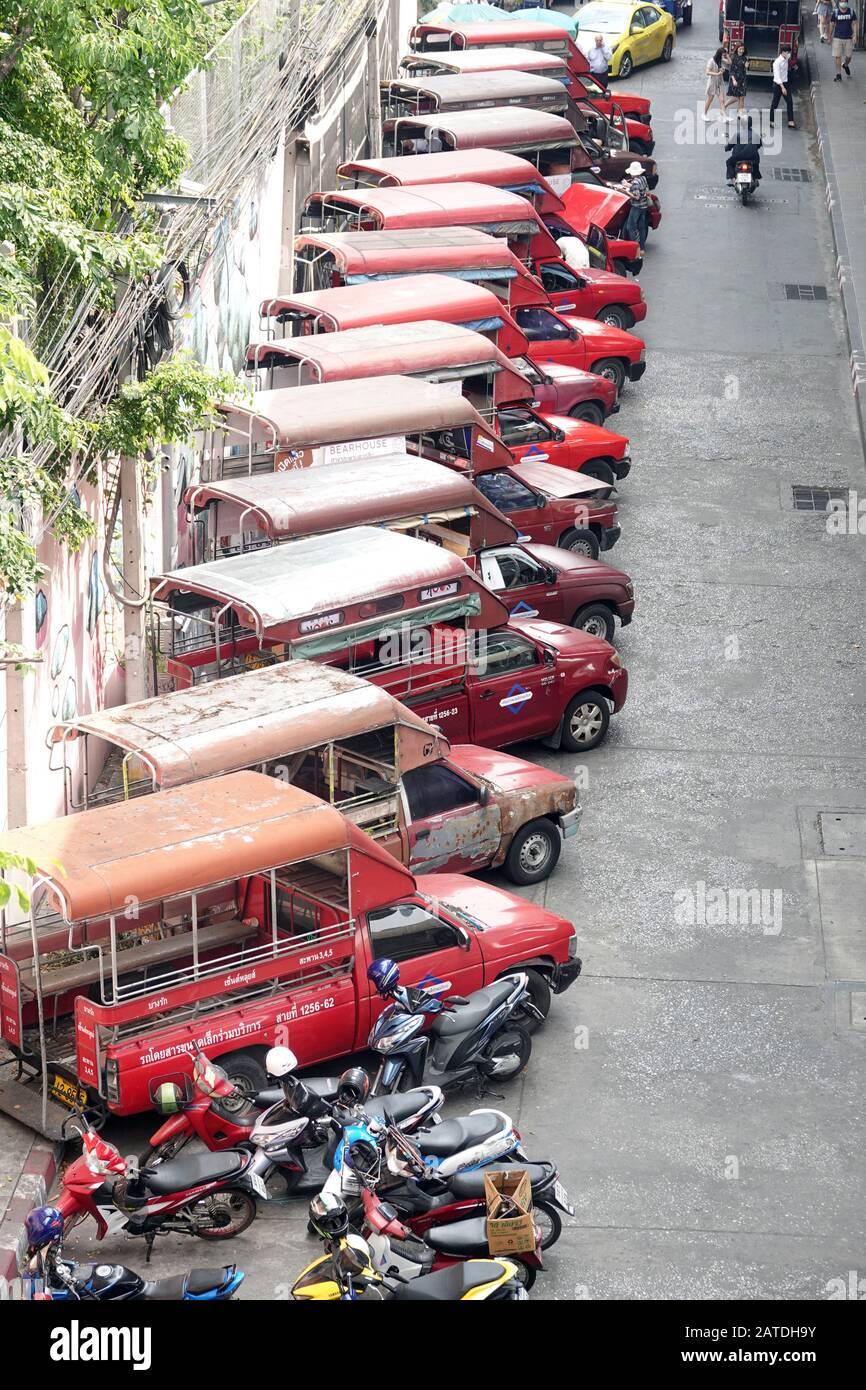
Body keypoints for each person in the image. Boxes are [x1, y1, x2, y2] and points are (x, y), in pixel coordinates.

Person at [621, 160, 651, 250]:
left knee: (630, 226)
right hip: (644, 206)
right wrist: (629, 185)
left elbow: (636, 196)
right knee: (642, 226)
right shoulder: (643, 179)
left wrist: (626, 191)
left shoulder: (635, 182)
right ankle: (641, 246)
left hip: (636, 207)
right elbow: (643, 189)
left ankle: (634, 246)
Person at [830, 1, 858, 78]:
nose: (843, 2)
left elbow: (854, 23)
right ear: (839, 2)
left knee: (849, 56)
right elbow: (832, 24)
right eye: (841, 1)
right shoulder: (835, 12)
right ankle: (838, 74)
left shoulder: (851, 11)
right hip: (837, 37)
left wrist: (855, 35)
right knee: (837, 56)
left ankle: (845, 65)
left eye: (845, 1)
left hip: (848, 38)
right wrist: (829, 36)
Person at [769, 45, 796, 127]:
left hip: (785, 83)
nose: (789, 54)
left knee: (790, 101)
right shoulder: (777, 63)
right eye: (788, 52)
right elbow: (777, 76)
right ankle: (771, 121)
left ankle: (790, 120)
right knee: (775, 103)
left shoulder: (786, 59)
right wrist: (782, 87)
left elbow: (792, 62)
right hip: (778, 85)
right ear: (783, 52)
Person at [704, 47, 728, 118]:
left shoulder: (720, 60)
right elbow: (707, 72)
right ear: (719, 54)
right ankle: (704, 114)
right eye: (723, 55)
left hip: (720, 82)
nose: (724, 57)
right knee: (710, 99)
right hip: (713, 82)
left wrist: (722, 69)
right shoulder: (711, 61)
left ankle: (724, 116)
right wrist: (717, 73)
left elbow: (729, 62)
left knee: (722, 100)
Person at [725, 43, 748, 114]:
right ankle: (724, 106)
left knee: (742, 97)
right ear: (737, 49)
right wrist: (734, 80)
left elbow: (744, 68)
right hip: (735, 79)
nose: (741, 51)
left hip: (743, 79)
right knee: (735, 98)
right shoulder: (733, 57)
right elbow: (731, 70)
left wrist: (746, 66)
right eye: (740, 49)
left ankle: (740, 113)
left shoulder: (744, 58)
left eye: (743, 49)